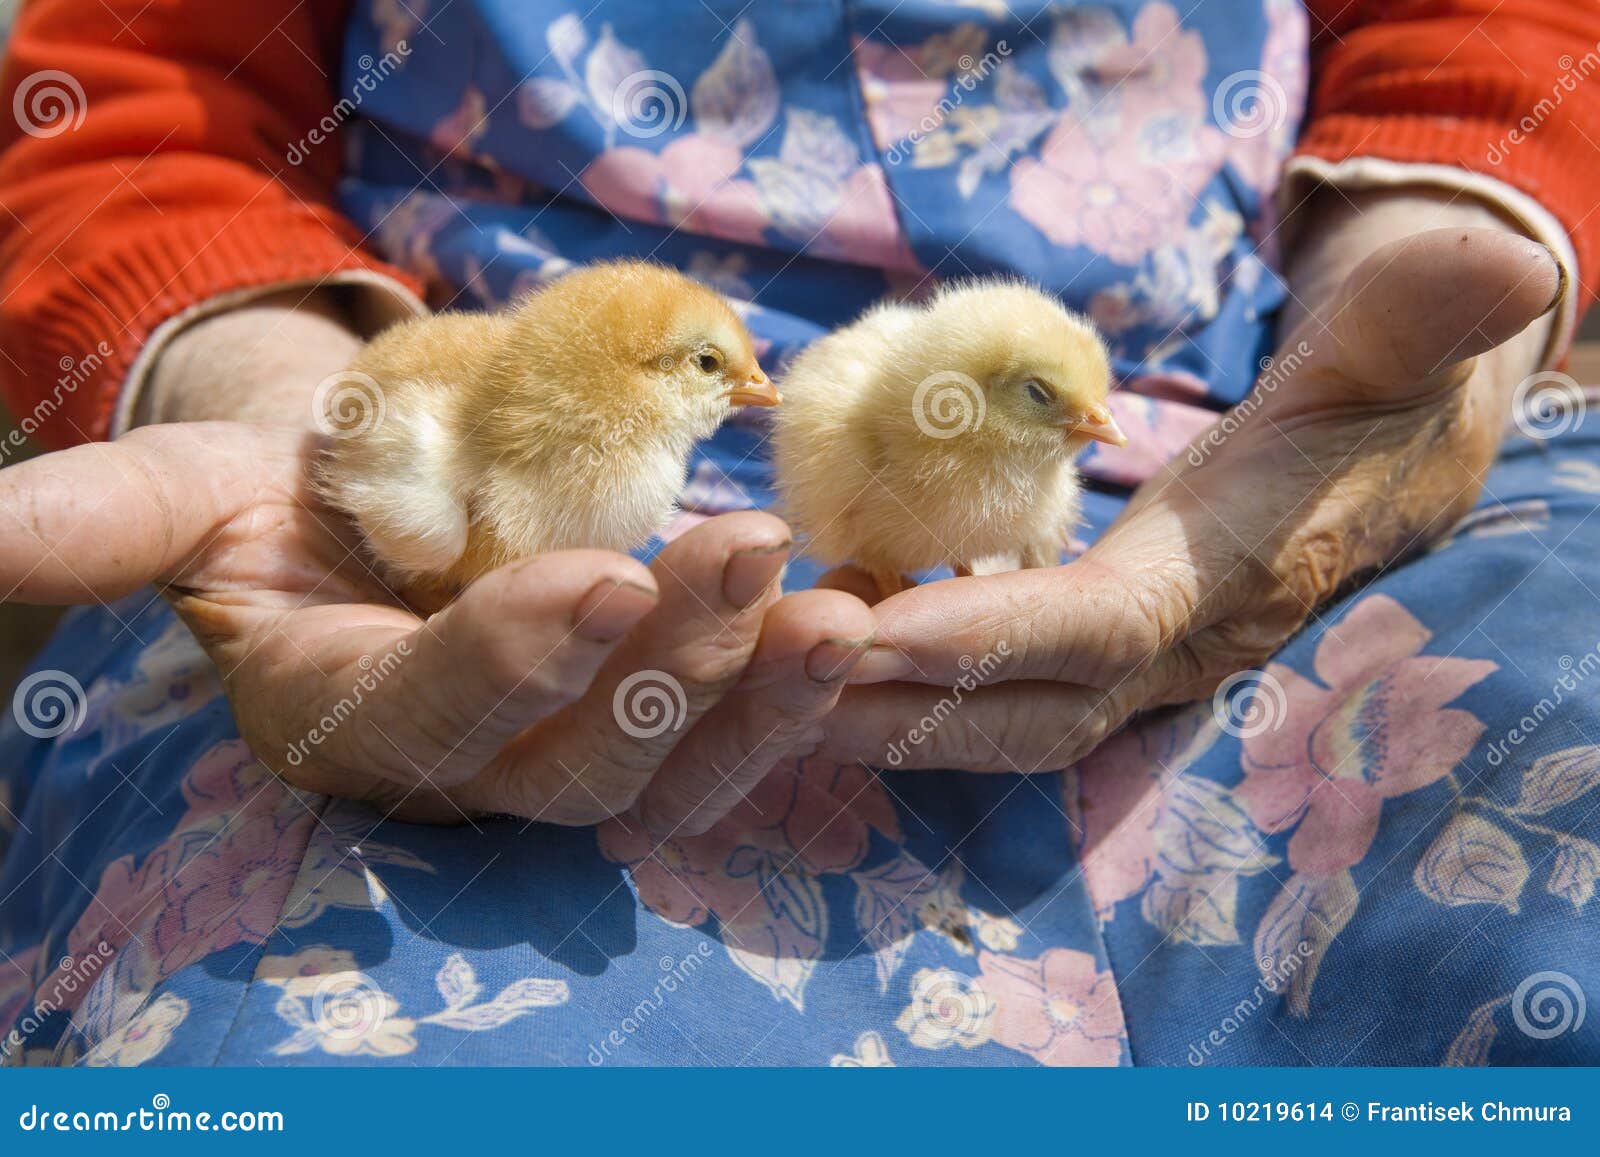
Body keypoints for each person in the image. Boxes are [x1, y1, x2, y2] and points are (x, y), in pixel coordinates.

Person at [1, 0, 1597, 1066]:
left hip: (1283, 401)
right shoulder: (696, 419)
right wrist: (289, 397)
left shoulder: (924, 402)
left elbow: (1491, 33)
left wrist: (1406, 345)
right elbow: (149, 110)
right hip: (428, 389)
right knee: (338, 1041)